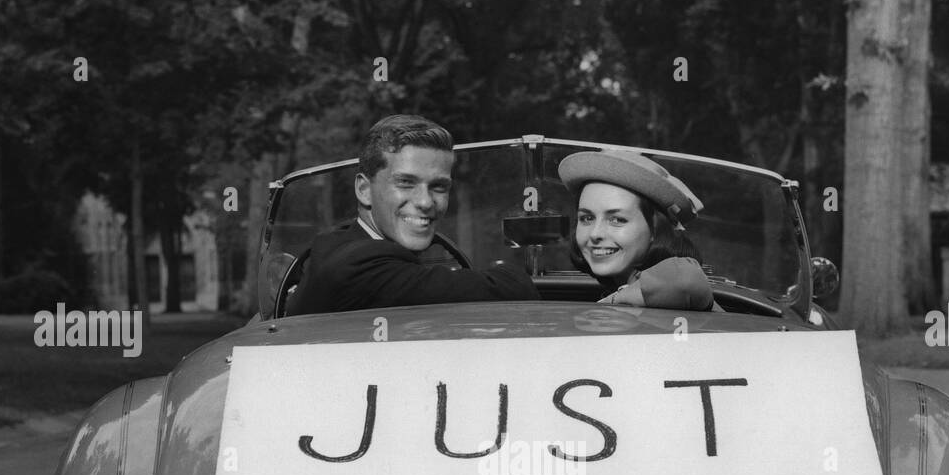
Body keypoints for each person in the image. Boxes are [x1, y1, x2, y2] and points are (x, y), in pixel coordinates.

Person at [285, 115, 539, 315]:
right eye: (406, 183)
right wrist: (516, 278)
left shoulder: (338, 242)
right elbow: (503, 290)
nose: (426, 202)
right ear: (364, 190)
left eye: (439, 187)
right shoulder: (358, 268)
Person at [558, 149, 715, 311]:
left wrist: (606, 305)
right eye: (587, 218)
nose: (595, 234)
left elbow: (686, 280)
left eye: (617, 220)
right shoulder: (625, 287)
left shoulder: (676, 283)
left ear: (655, 228)